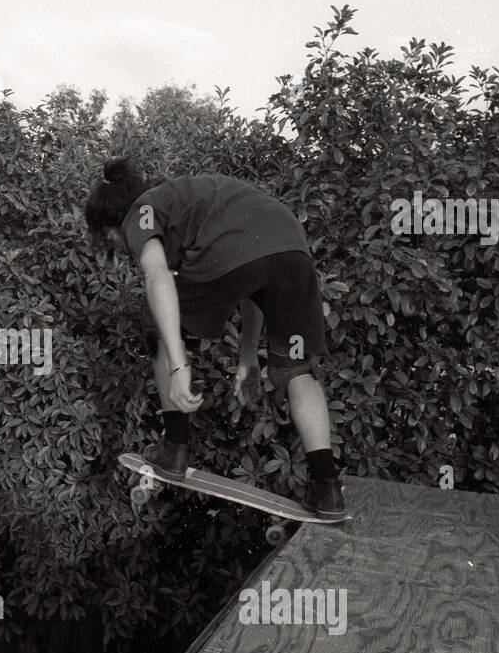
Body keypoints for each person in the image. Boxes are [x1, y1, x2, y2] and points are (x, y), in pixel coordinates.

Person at [83, 157, 345, 518]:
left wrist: (178, 368)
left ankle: (174, 447)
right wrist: (247, 356)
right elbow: (254, 280)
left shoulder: (140, 211)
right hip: (291, 251)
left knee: (158, 323)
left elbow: (157, 275)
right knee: (297, 370)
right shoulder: (193, 201)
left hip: (244, 250)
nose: (117, 246)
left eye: (110, 239)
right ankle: (327, 488)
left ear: (111, 221)